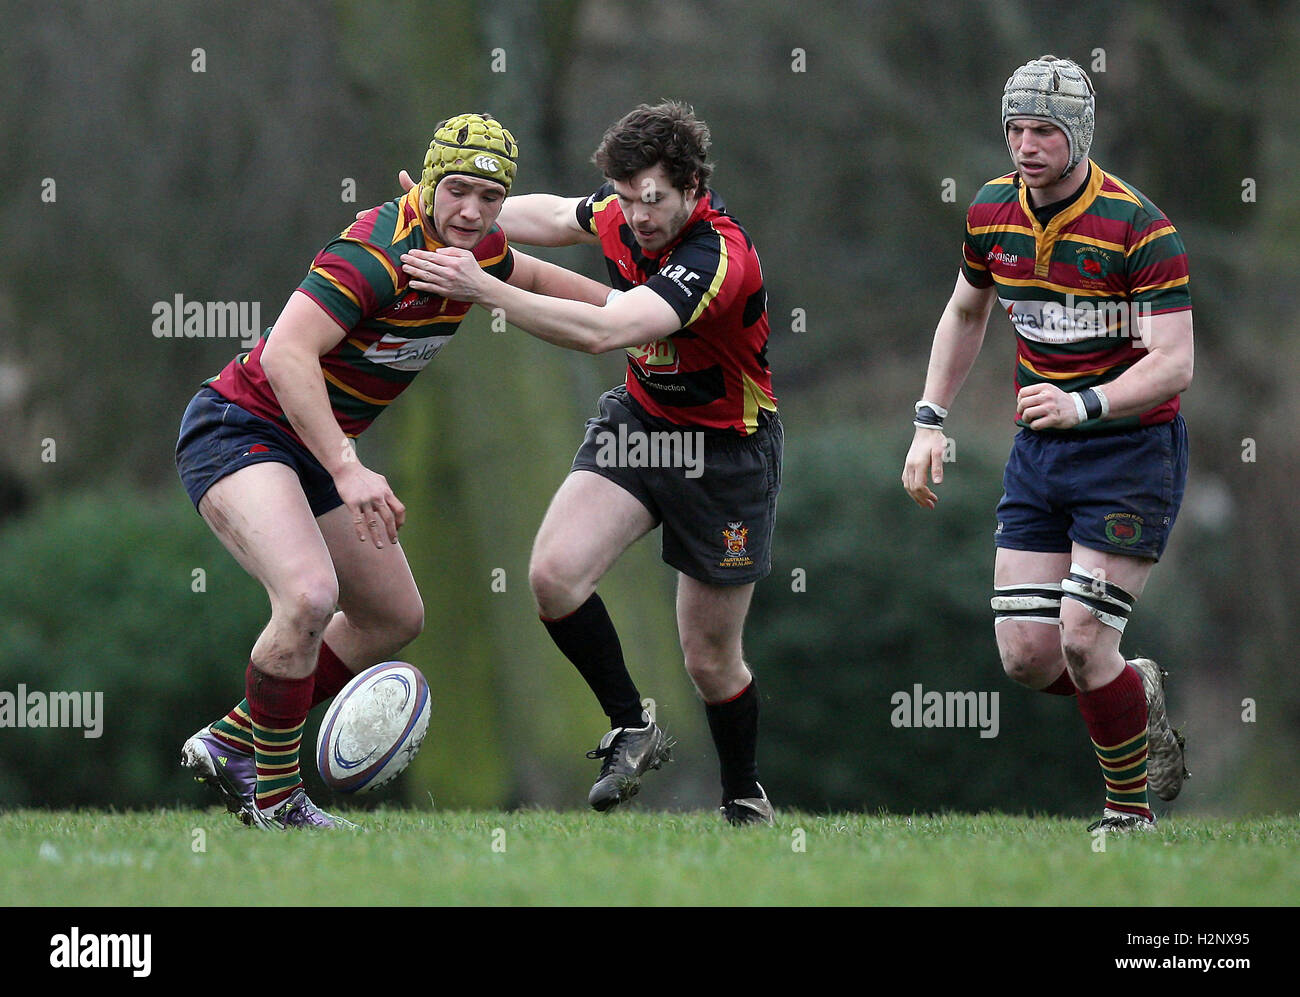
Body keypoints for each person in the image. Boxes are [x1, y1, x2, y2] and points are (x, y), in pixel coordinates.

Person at [176, 113, 613, 829]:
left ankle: (231, 740)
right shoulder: (376, 253)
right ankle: (278, 800)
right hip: (239, 428)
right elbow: (288, 355)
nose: (473, 210)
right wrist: (348, 468)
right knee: (310, 595)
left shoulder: (471, 251)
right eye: (460, 190)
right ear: (432, 180)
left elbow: (551, 284)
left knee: (392, 615)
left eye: (491, 197)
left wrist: (652, 316)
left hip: (313, 444)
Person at [399, 101, 782, 824]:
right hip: (642, 424)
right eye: (627, 197)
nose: (638, 216)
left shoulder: (719, 257)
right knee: (553, 574)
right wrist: (455, 211)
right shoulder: (622, 204)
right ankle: (632, 725)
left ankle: (743, 798)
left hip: (726, 455)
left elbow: (609, 332)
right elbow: (550, 214)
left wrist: (485, 286)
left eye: (655, 201)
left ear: (693, 186)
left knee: (708, 657)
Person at [901, 56, 1192, 832]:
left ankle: (1125, 817)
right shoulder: (993, 210)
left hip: (1131, 452)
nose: (1026, 146)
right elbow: (966, 313)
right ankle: (1134, 696)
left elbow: (1175, 363)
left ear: (1080, 136)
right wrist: (931, 419)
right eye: (1016, 130)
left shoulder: (1139, 226)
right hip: (1040, 450)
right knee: (1031, 655)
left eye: (1045, 132)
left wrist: (1084, 402)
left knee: (1083, 636)